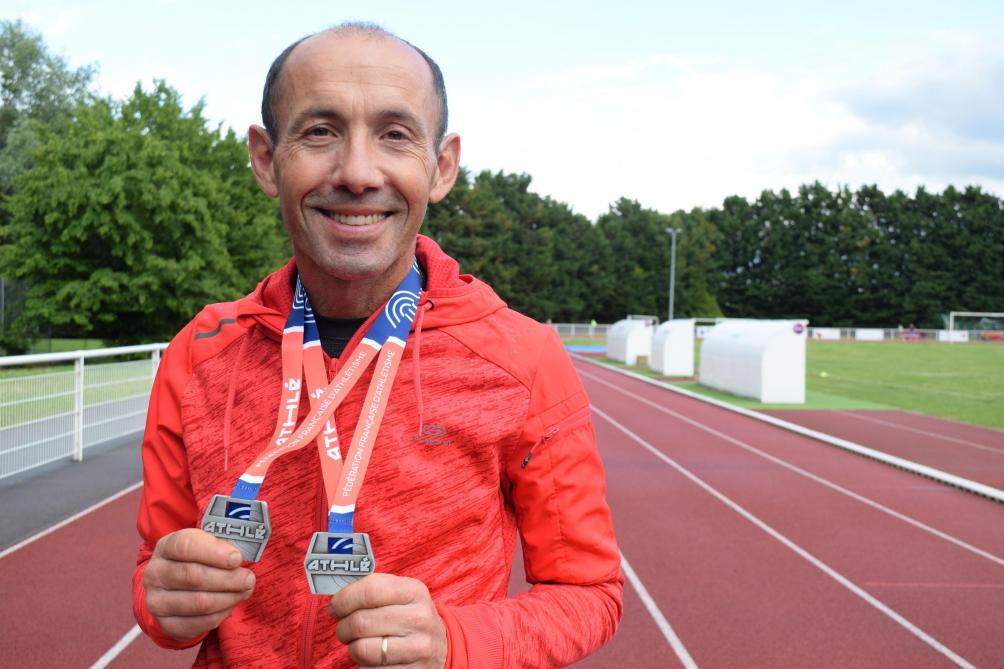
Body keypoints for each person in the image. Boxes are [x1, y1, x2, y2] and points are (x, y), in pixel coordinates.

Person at [132, 22, 623, 669]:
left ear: (441, 165)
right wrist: (162, 601)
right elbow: (156, 578)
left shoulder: (522, 358)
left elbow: (590, 591)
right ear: (264, 158)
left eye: (394, 134)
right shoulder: (199, 351)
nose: (358, 173)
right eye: (320, 131)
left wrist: (456, 641)